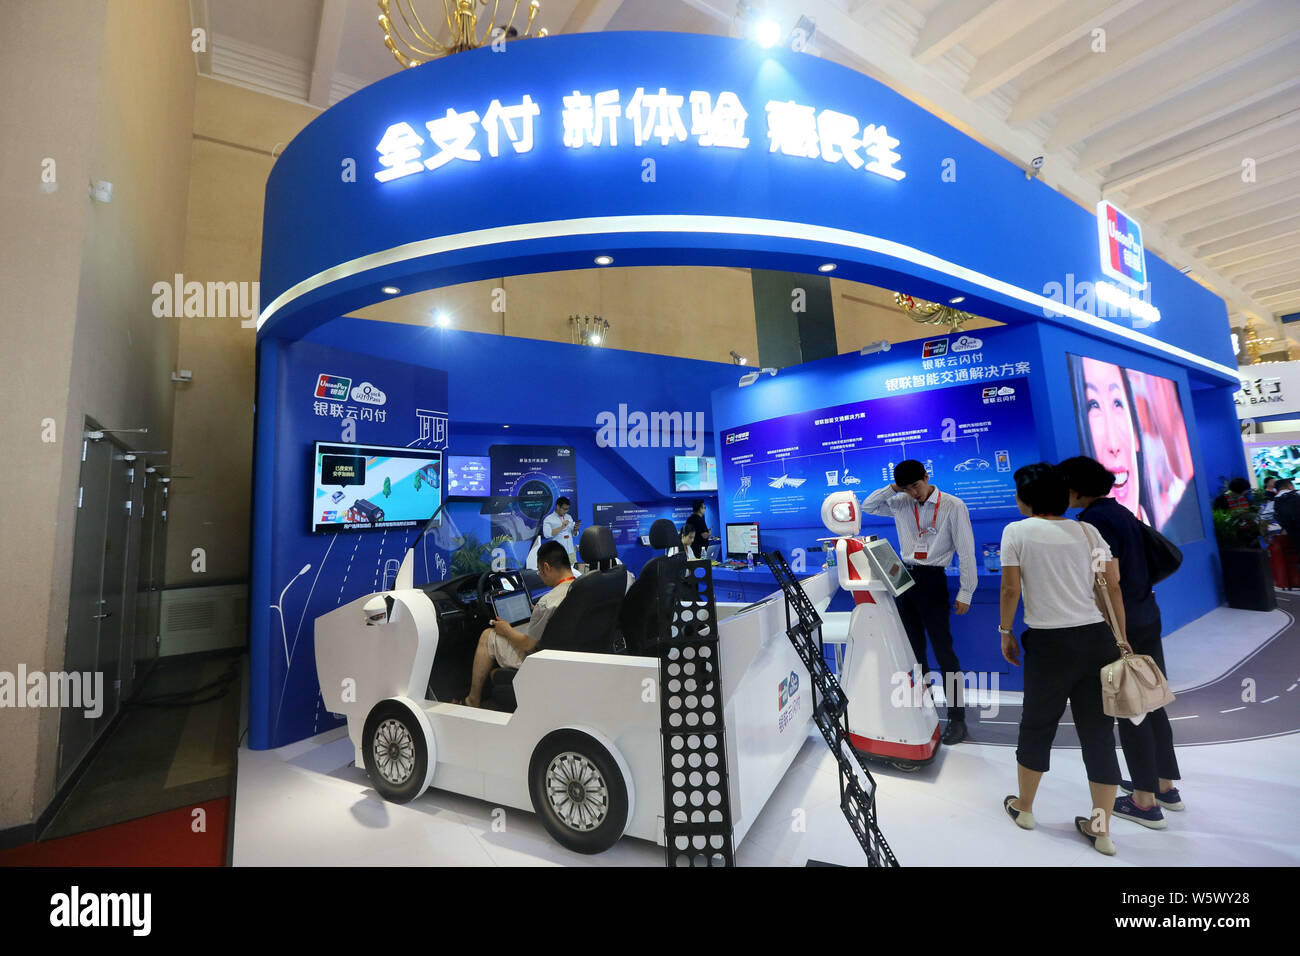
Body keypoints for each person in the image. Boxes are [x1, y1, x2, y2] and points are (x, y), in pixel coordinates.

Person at [998, 463, 1126, 856]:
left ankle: (1025, 809)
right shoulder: (1089, 531)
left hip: (1049, 645)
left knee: (1037, 725)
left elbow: (1010, 588)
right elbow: (1112, 588)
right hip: (1097, 639)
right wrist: (1122, 639)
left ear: (1029, 498)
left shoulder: (1016, 531)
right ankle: (1101, 830)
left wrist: (1005, 631)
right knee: (1099, 734)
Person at [1059, 455, 1183, 829]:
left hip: (1120, 626)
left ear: (1076, 488)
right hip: (1146, 614)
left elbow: (1103, 583)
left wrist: (1114, 634)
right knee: (1151, 700)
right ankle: (1165, 785)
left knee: (1131, 707)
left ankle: (1144, 801)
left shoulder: (1092, 523)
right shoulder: (1122, 513)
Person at [863, 459, 976, 744]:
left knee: (944, 651)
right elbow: (868, 506)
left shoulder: (953, 505)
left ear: (927, 476)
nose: (914, 493)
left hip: (933, 580)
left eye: (916, 485)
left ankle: (958, 718)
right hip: (903, 577)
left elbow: (966, 550)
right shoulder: (900, 502)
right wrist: (894, 488)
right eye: (907, 487)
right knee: (913, 653)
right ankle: (924, 708)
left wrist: (966, 591)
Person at [462, 541, 575, 708]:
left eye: (540, 571)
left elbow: (528, 644)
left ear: (546, 567)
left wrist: (506, 630)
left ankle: (473, 700)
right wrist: (537, 613)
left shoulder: (547, 602)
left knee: (488, 635)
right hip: (566, 653)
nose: (540, 576)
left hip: (539, 657)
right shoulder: (579, 586)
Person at [542, 496, 579, 562]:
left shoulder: (569, 517)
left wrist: (575, 530)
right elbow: (547, 534)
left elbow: (574, 534)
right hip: (557, 553)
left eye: (567, 509)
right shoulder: (549, 519)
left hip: (571, 552)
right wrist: (562, 527)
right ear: (557, 506)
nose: (566, 511)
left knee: (573, 571)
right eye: (564, 509)